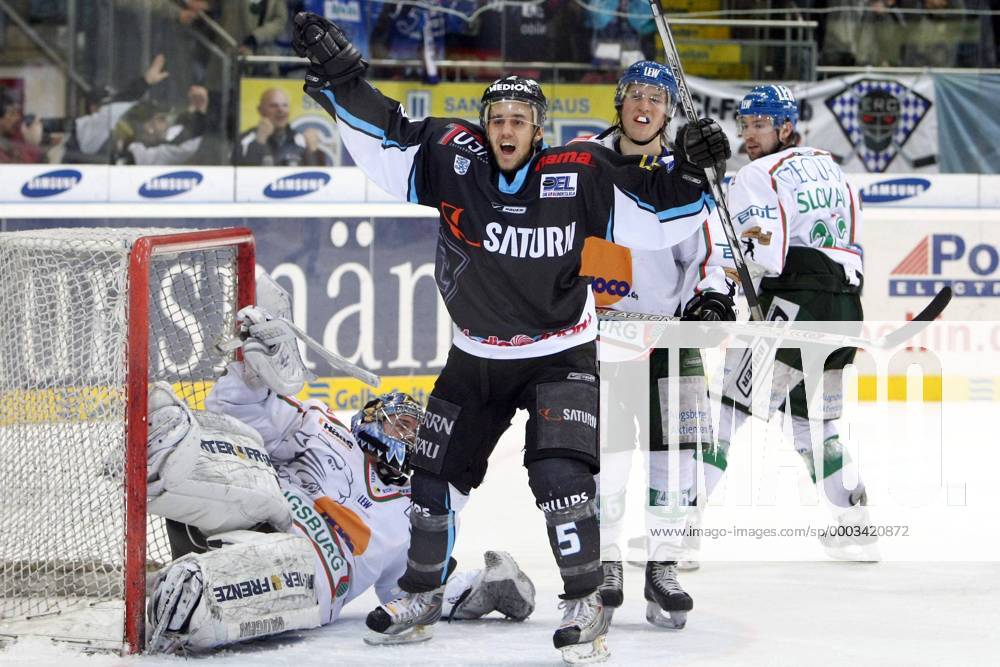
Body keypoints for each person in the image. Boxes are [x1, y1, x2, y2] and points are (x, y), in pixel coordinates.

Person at [290, 12, 730, 664]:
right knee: (432, 477)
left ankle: (586, 600)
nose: (506, 129)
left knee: (560, 476)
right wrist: (342, 79)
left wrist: (691, 170)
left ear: (538, 130)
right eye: (497, 118)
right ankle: (421, 592)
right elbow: (386, 136)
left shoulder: (580, 172)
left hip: (560, 353)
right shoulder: (451, 157)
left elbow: (655, 210)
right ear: (483, 125)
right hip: (475, 357)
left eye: (519, 120)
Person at [145, 305, 536, 653]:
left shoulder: (418, 510)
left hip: (304, 578)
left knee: (203, 598)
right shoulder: (324, 427)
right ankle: (163, 459)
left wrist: (484, 589)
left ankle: (191, 596)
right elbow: (239, 414)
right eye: (401, 423)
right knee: (256, 475)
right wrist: (255, 371)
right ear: (373, 416)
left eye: (414, 432)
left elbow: (415, 591)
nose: (407, 434)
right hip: (248, 515)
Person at [577, 60, 735, 630]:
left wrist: (712, 297)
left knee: (677, 456)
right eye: (637, 95)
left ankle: (662, 563)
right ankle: (608, 560)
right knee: (609, 455)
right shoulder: (583, 161)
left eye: (658, 98)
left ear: (668, 112)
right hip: (600, 335)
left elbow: (711, 252)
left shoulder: (687, 172)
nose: (645, 106)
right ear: (619, 102)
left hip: (668, 335)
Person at [719, 84, 874, 560]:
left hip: (793, 303)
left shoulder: (756, 173)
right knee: (814, 423)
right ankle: (856, 528)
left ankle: (675, 536)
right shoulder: (832, 167)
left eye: (760, 125)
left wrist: (725, 284)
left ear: (786, 127)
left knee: (726, 412)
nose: (749, 135)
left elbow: (764, 255)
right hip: (845, 307)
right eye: (745, 125)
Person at [236, 88, 330, 166]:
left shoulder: (301, 140)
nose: (280, 110)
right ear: (260, 110)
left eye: (285, 105)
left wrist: (313, 151)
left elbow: (318, 177)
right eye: (274, 105)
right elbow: (240, 175)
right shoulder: (245, 140)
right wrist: (259, 142)